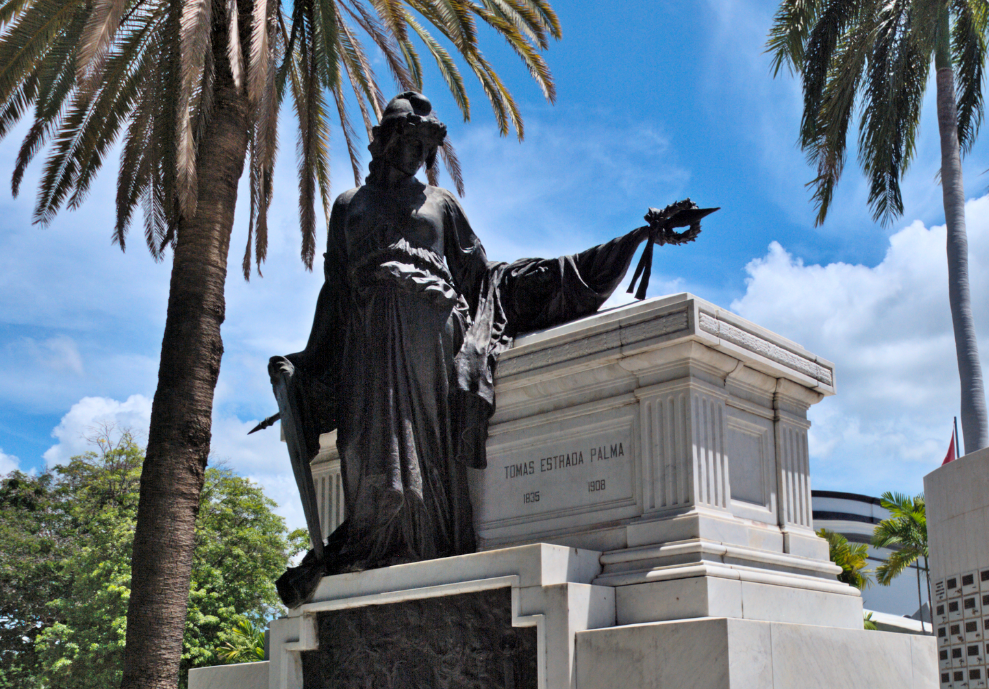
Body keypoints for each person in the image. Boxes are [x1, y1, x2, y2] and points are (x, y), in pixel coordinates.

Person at [271, 92, 707, 607]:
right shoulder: (349, 206)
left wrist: (607, 253)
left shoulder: (441, 205)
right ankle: (374, 553)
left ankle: (422, 544)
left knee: (415, 469)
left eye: (424, 146)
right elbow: (335, 291)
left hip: (429, 336)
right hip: (367, 344)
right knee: (370, 468)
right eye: (409, 142)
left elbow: (481, 279)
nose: (417, 155)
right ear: (386, 140)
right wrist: (306, 361)